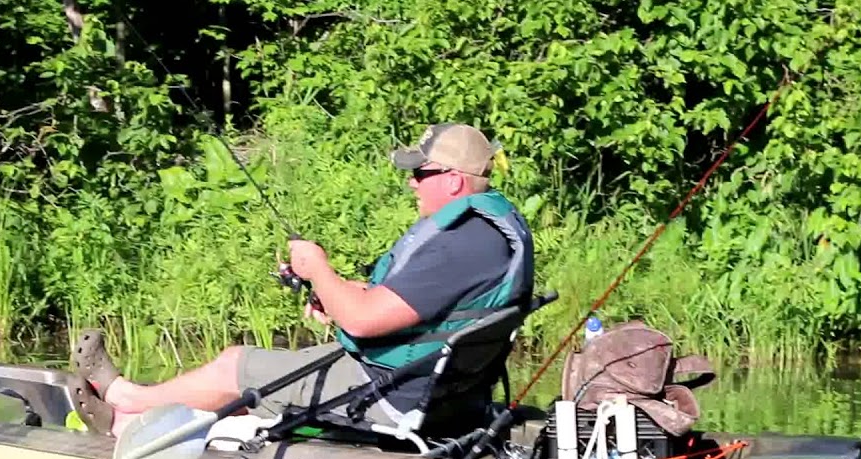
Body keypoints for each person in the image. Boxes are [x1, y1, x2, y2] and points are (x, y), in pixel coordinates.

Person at [68, 122, 535, 436]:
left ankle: (127, 407)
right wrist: (334, 295)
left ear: (453, 180)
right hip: (436, 391)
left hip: (395, 394)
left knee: (237, 365)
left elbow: (368, 321)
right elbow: (398, 304)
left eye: (420, 172)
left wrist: (319, 269)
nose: (411, 181)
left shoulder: (459, 244)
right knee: (272, 368)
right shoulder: (485, 233)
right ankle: (163, 412)